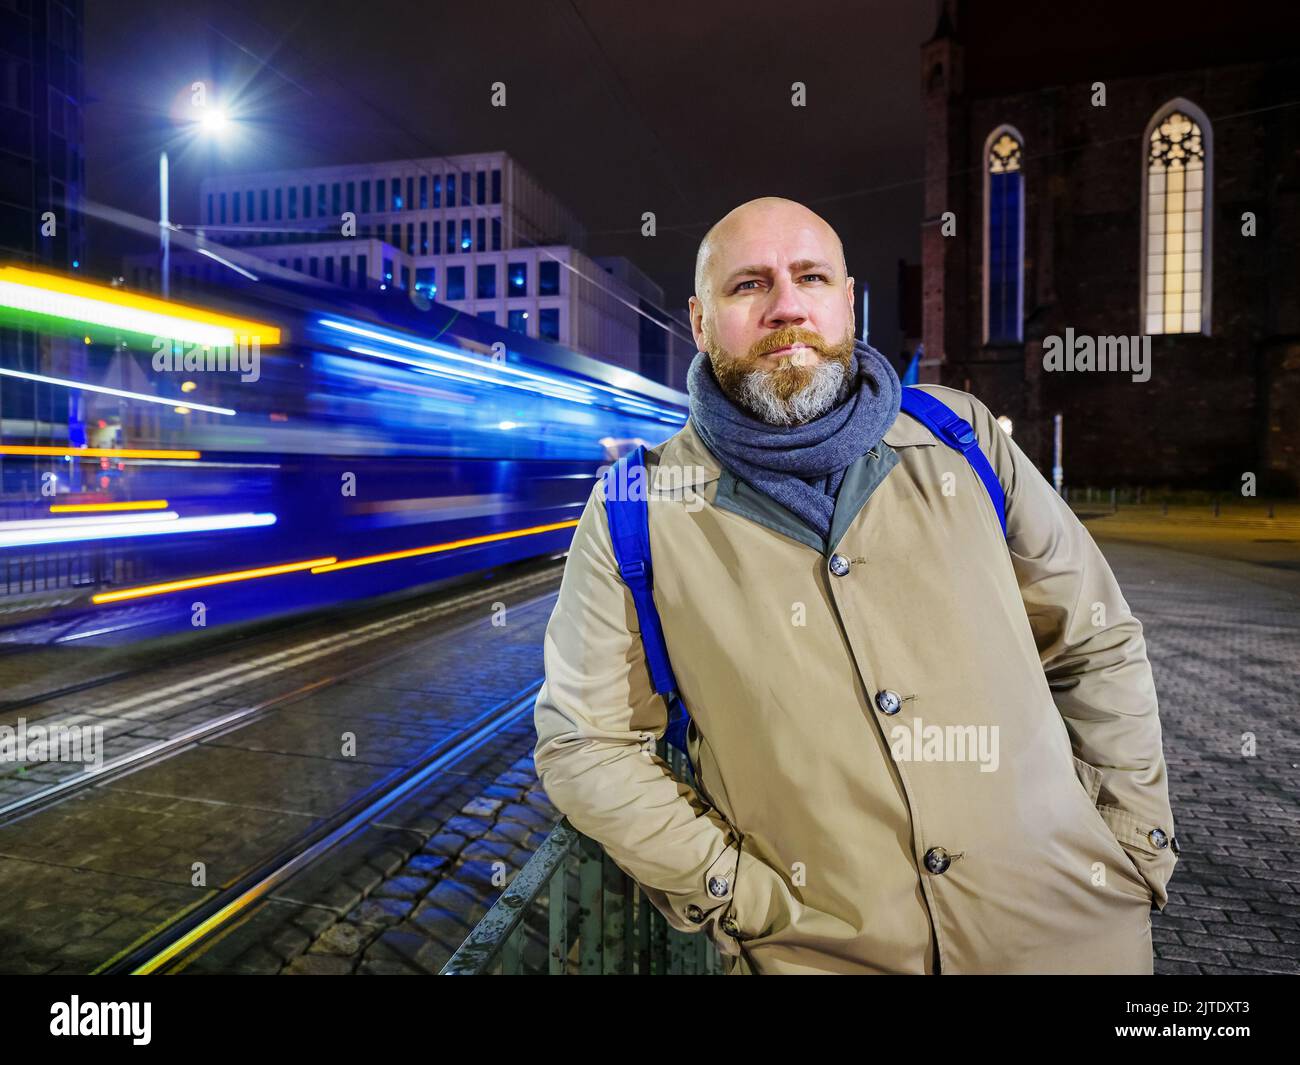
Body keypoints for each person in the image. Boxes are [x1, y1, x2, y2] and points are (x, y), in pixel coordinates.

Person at [532, 196, 1179, 974]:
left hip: (1073, 941)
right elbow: (585, 741)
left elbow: (1096, 643)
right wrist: (743, 899)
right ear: (700, 324)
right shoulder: (636, 507)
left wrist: (1133, 843)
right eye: (749, 285)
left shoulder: (961, 440)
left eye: (811, 276)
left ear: (847, 301)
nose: (786, 306)